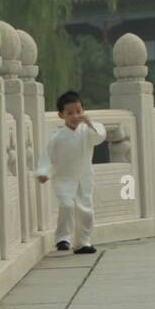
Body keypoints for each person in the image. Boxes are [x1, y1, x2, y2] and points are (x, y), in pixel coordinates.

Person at [35, 91, 106, 254]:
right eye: (70, 113)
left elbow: (99, 137)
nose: (75, 116)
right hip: (63, 178)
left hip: (84, 176)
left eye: (79, 111)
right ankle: (62, 238)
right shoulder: (57, 136)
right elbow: (47, 156)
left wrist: (89, 123)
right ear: (61, 115)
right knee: (67, 205)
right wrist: (43, 172)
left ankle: (83, 242)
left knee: (85, 210)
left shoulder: (87, 130)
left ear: (83, 111)